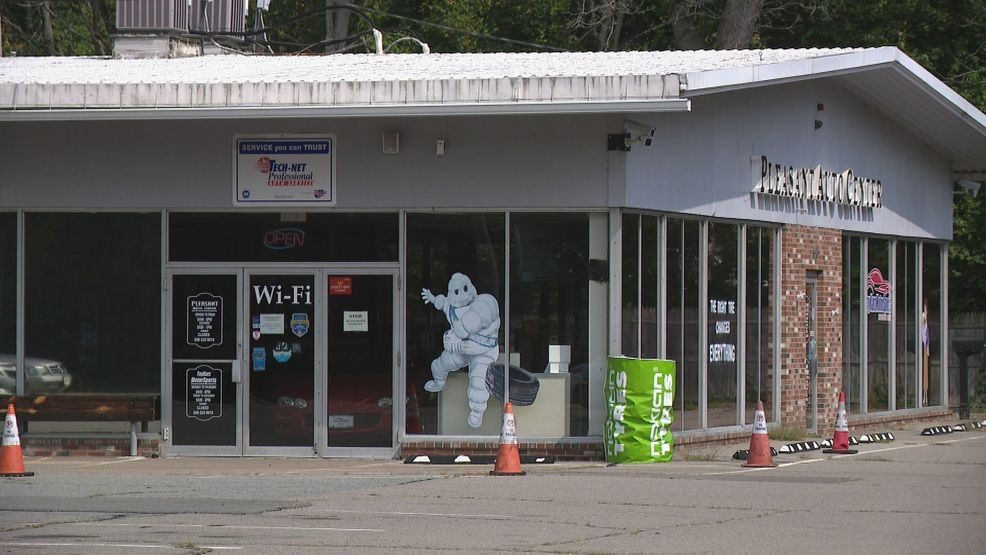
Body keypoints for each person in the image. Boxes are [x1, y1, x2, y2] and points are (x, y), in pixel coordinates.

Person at [421, 273, 500, 428]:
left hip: (483, 351)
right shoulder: (452, 308)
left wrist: (461, 332)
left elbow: (477, 320)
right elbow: (442, 302)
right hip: (462, 349)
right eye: (456, 291)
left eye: (464, 288)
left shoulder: (484, 303)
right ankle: (439, 381)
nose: (462, 294)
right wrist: (432, 298)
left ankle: (477, 413)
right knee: (442, 363)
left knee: (479, 380)